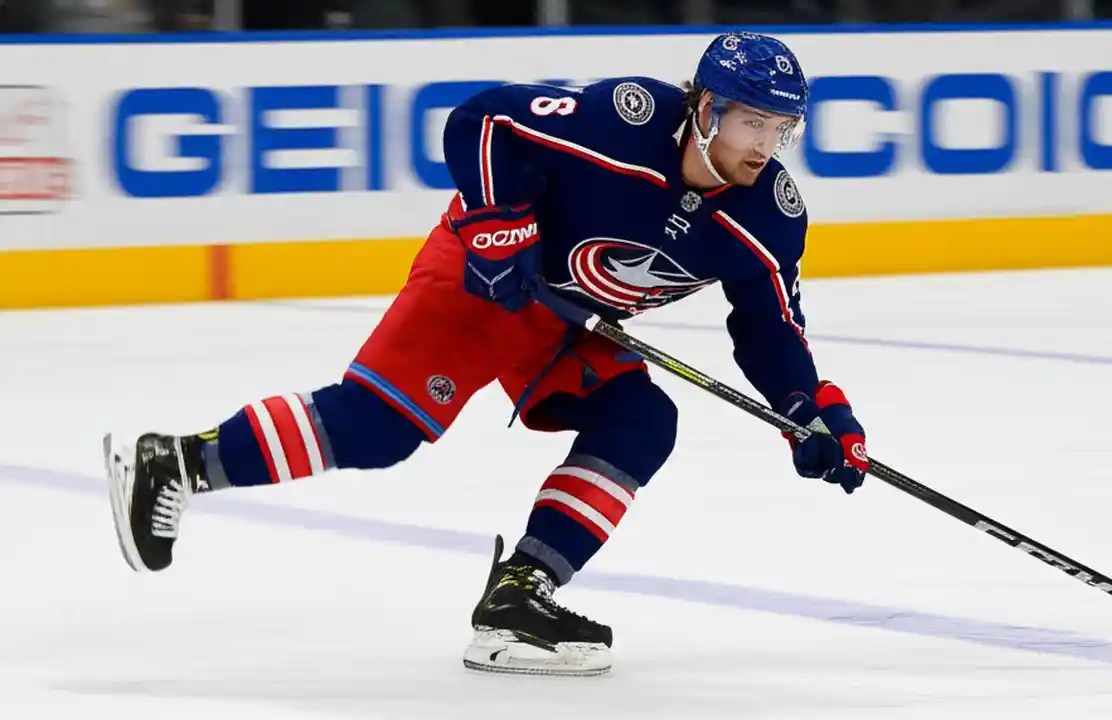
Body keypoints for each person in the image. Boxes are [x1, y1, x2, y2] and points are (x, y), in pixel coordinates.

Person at [103, 32, 870, 677]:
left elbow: (770, 328)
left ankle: (521, 596)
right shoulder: (624, 119)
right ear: (705, 109)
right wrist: (500, 227)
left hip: (569, 321)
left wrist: (810, 412)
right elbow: (482, 120)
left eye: (781, 130)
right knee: (377, 431)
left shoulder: (770, 215)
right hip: (486, 276)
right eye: (753, 124)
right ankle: (178, 460)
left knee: (641, 418)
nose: (766, 148)